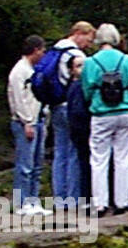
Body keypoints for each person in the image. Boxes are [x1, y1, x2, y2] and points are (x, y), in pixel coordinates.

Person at [81, 23, 128, 217]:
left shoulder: (90, 62)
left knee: (99, 159)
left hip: (101, 115)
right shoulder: (127, 60)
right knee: (123, 158)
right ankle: (122, 202)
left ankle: (100, 204)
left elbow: (86, 91)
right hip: (126, 112)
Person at [48, 21, 96, 204]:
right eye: (88, 40)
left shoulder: (55, 50)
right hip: (72, 106)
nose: (88, 45)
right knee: (74, 152)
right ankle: (73, 197)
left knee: (60, 152)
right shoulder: (76, 55)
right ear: (78, 33)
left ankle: (59, 197)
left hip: (56, 105)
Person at [7, 34, 46, 215]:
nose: (43, 54)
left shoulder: (34, 69)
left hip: (39, 119)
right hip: (25, 122)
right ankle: (21, 202)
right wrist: (27, 122)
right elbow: (18, 99)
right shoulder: (19, 71)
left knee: (37, 164)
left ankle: (33, 200)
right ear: (35, 50)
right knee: (25, 165)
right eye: (42, 51)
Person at [66, 55, 92, 210]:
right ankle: (86, 199)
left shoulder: (82, 85)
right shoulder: (77, 87)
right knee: (85, 164)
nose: (83, 69)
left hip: (82, 129)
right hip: (82, 130)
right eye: (78, 66)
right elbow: (77, 112)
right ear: (71, 71)